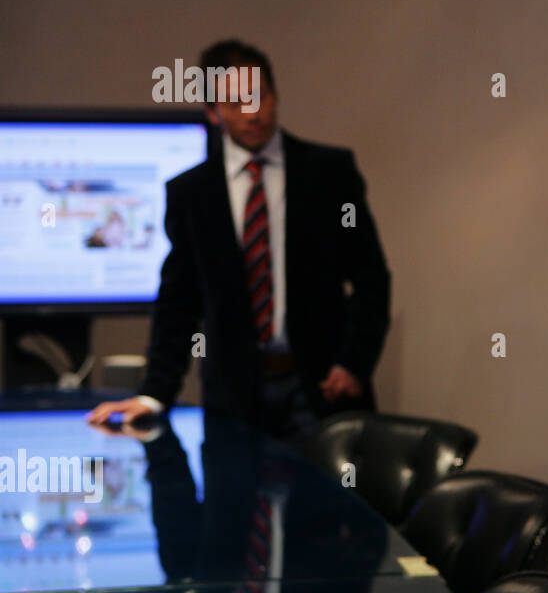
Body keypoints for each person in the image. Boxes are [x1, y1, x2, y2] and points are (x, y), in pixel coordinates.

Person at [87, 39, 392, 442]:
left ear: (274, 95)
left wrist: (354, 362)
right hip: (235, 394)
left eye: (258, 97)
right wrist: (154, 393)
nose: (251, 114)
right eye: (234, 103)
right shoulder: (191, 192)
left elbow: (371, 278)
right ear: (213, 113)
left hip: (319, 387)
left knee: (325, 503)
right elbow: (179, 302)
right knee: (233, 502)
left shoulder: (328, 173)